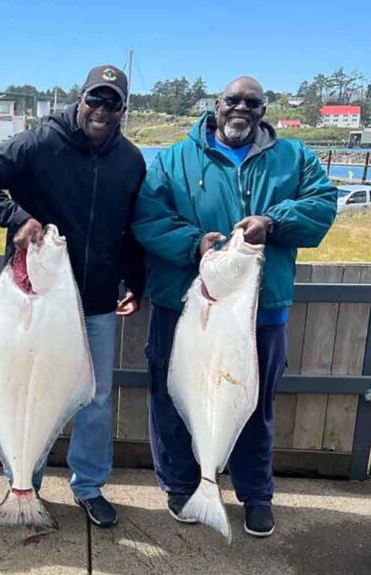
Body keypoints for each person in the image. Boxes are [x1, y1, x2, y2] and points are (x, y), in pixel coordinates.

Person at [131, 76, 337, 537]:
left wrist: (273, 220)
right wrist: (193, 244)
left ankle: (255, 494)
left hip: (262, 311)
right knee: (173, 399)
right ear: (216, 106)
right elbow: (147, 218)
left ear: (263, 109)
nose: (241, 108)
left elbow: (324, 206)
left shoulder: (295, 158)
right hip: (185, 307)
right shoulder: (174, 159)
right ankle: (184, 486)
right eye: (232, 100)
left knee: (252, 404)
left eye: (252, 102)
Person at [0, 65, 146, 527]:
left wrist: (136, 280)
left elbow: (131, 227)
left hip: (97, 300)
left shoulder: (132, 160)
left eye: (112, 103)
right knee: (24, 391)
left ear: (123, 109)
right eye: (94, 100)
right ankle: (24, 482)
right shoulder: (37, 143)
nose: (101, 110)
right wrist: (16, 217)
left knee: (95, 397)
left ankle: (89, 485)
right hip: (34, 299)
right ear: (79, 100)